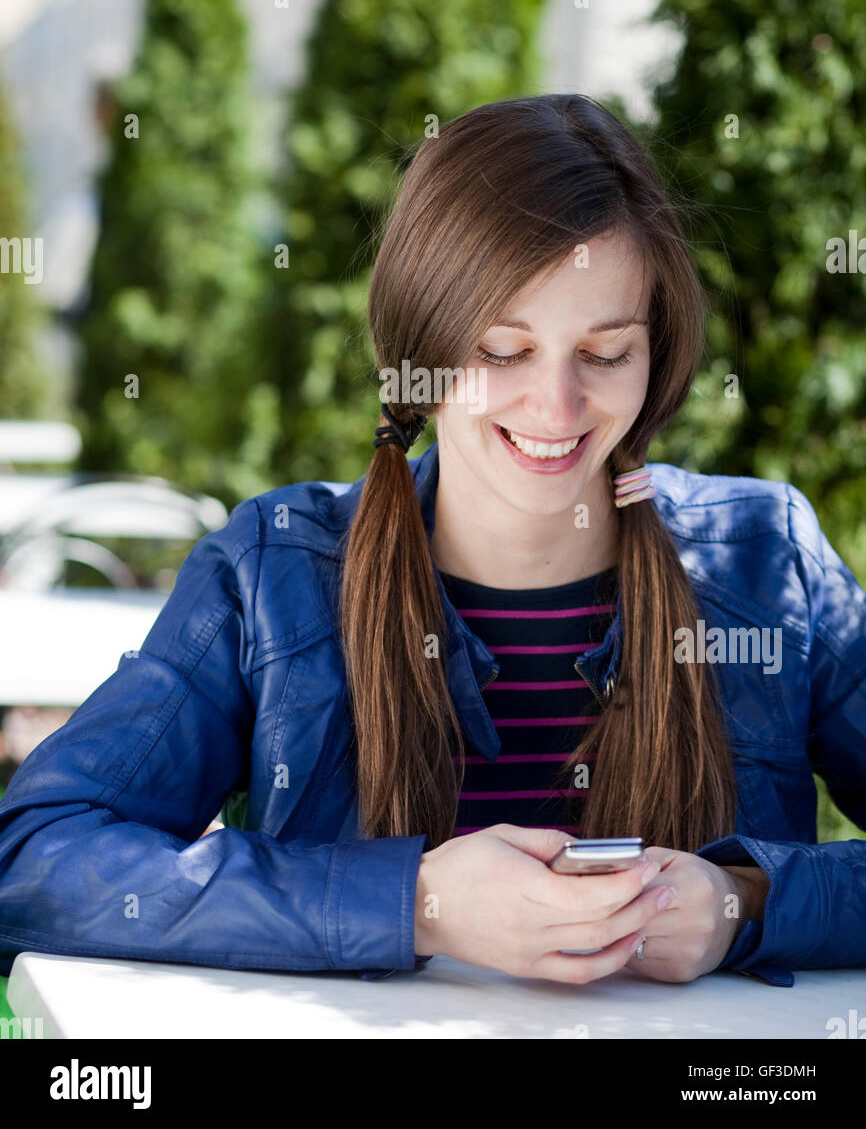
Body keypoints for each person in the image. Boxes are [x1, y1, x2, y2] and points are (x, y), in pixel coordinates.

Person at [0, 93, 864, 990]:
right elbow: (33, 860)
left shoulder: (767, 560)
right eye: (501, 351)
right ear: (421, 346)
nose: (557, 408)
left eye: (605, 354)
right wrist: (414, 902)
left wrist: (750, 902)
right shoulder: (274, 574)